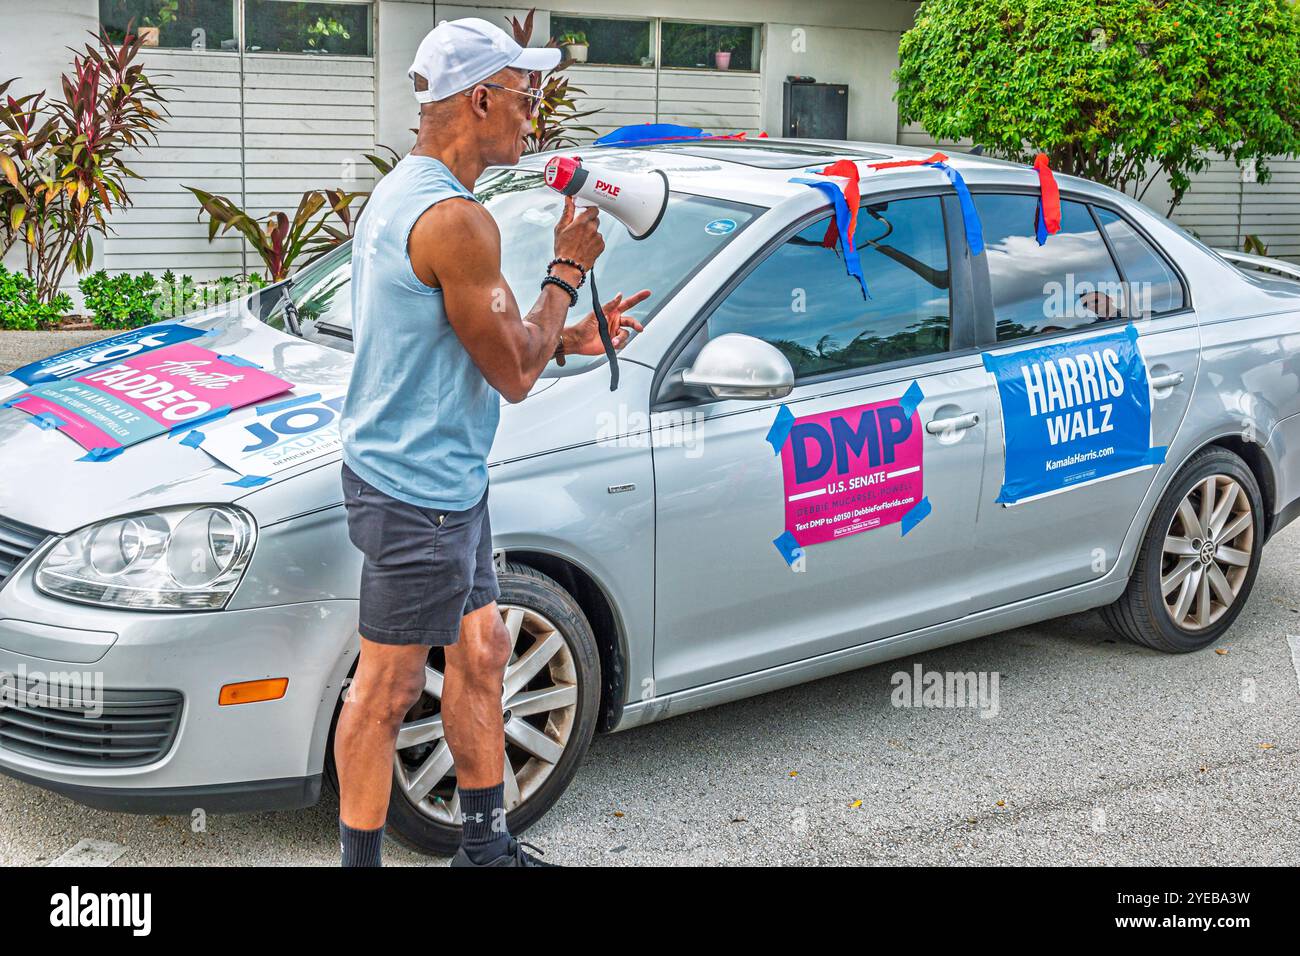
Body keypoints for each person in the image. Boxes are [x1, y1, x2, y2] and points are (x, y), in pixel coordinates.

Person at [334, 17, 651, 868]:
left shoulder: (405, 189)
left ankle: (485, 850)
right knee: (388, 689)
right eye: (525, 94)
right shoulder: (456, 221)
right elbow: (513, 372)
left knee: (483, 646)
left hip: (436, 480)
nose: (533, 113)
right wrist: (566, 271)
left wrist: (570, 333)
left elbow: (483, 341)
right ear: (480, 98)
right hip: (417, 493)